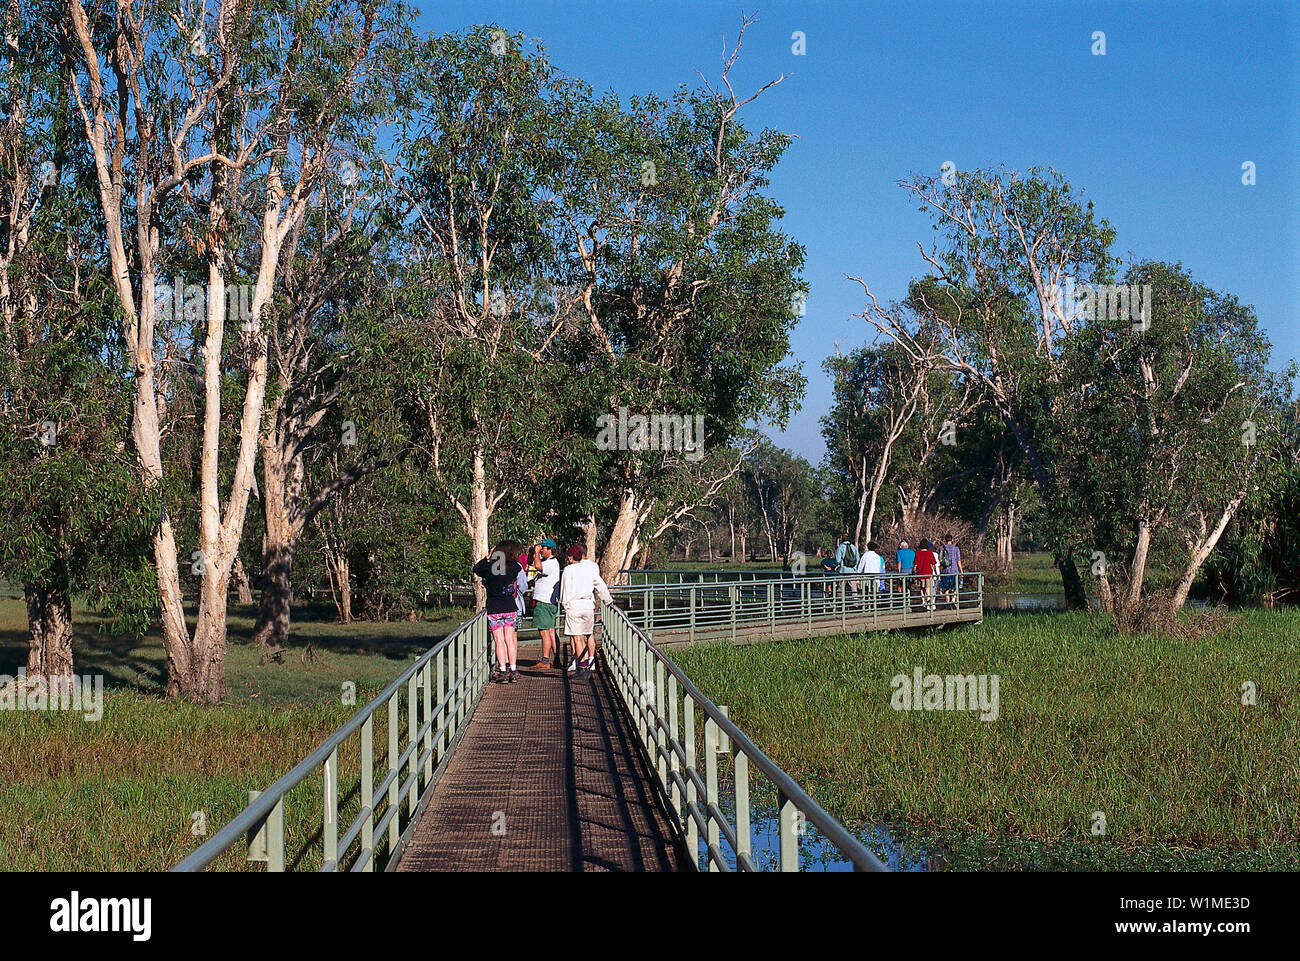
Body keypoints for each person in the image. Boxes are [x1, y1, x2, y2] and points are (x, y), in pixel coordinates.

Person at [472, 540, 525, 684]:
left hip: (494, 608)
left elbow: (476, 569)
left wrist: (488, 557)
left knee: (499, 641)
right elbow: (516, 567)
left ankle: (503, 671)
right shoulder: (514, 567)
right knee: (510, 640)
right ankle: (513, 670)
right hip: (510, 607)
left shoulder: (490, 568)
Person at [560, 543, 613, 677]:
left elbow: (564, 589)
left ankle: (583, 668)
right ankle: (587, 662)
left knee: (578, 638)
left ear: (572, 557)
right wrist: (608, 600)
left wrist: (564, 605)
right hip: (588, 606)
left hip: (574, 606)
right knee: (587, 635)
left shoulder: (568, 570)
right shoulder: (589, 569)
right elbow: (600, 585)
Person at [531, 539, 562, 668]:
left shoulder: (551, 563)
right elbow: (532, 563)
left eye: (543, 548)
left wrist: (536, 552)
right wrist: (534, 553)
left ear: (550, 550)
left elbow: (537, 566)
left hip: (545, 601)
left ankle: (545, 660)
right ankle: (556, 660)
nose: (541, 550)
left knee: (544, 631)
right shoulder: (549, 562)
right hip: (547, 601)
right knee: (550, 631)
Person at [941, 534, 964, 607]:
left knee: (946, 589)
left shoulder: (942, 548)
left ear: (945, 540)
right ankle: (954, 598)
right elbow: (958, 561)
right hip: (954, 571)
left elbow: (940, 560)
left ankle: (948, 605)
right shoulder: (956, 549)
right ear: (952, 540)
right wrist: (961, 571)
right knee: (955, 587)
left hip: (945, 571)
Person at [913, 539, 937, 609]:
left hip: (920, 573)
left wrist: (914, 571)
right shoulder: (930, 553)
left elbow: (915, 564)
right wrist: (934, 572)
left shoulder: (917, 553)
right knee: (928, 588)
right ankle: (929, 602)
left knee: (921, 588)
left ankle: (923, 601)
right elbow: (933, 564)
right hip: (928, 573)